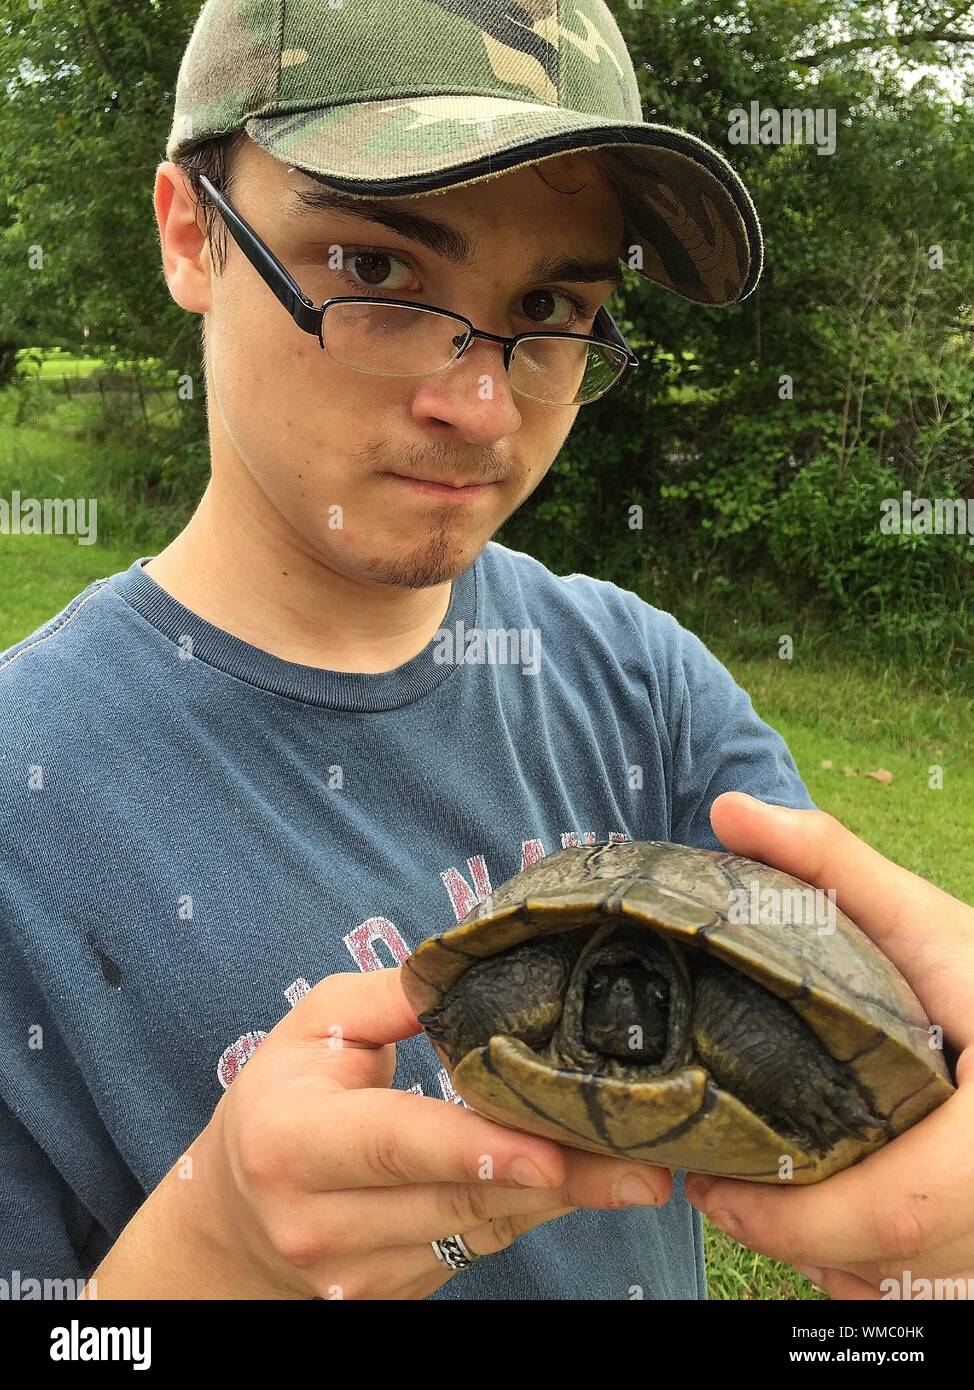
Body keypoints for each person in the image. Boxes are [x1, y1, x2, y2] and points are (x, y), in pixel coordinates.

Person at [0, 0, 817, 1301]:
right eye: (376, 273)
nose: (479, 404)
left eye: (549, 303)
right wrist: (209, 1262)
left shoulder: (645, 685)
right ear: (190, 233)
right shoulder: (21, 803)